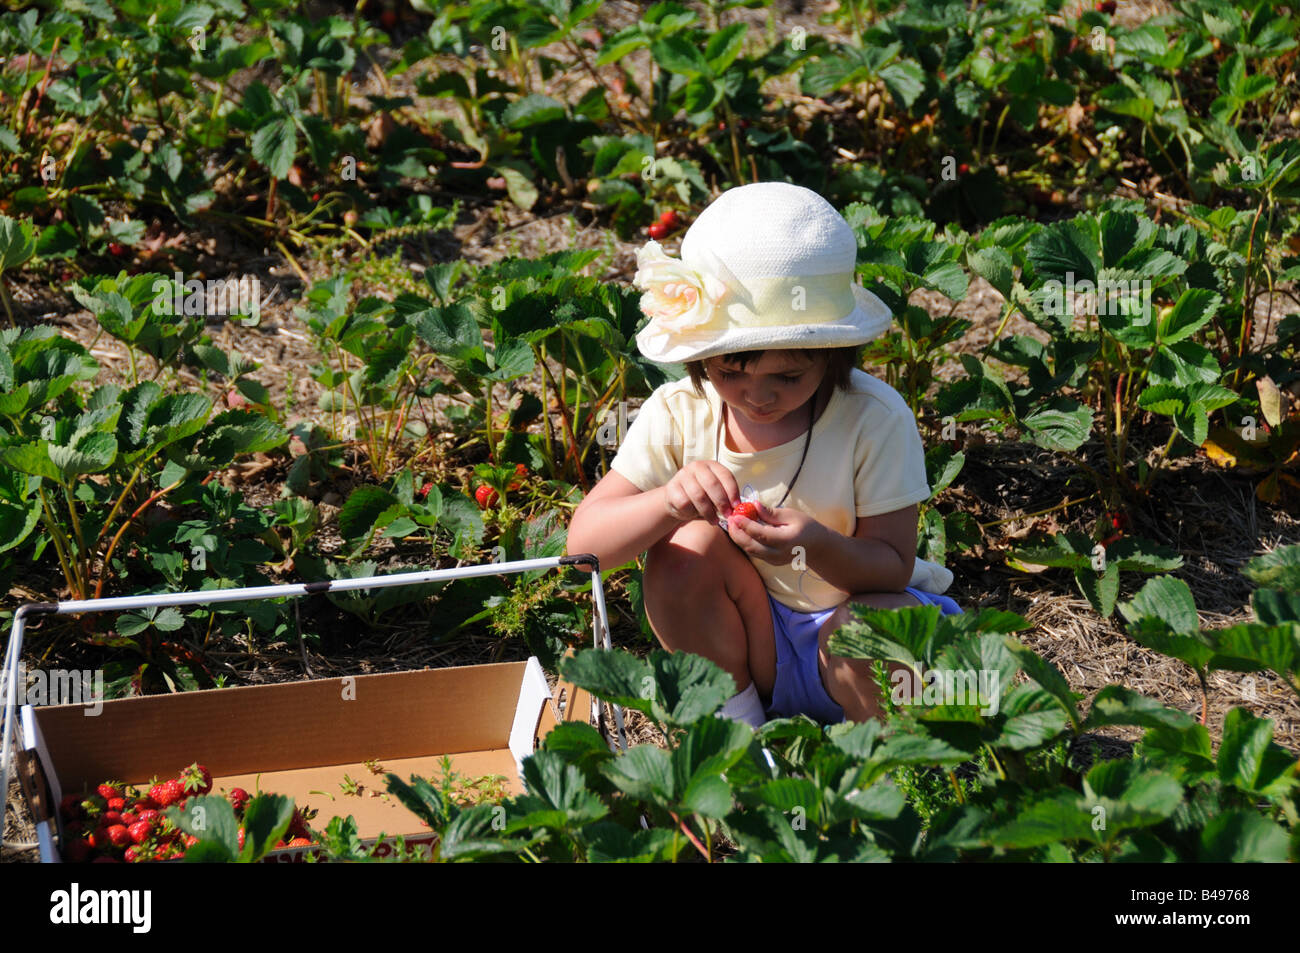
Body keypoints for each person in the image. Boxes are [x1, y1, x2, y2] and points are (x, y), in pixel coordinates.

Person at [565, 182, 960, 728]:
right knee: (683, 549)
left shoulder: (873, 417)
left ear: (833, 353)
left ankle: (888, 760)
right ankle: (742, 734)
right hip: (753, 645)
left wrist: (815, 544)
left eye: (789, 375)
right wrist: (668, 504)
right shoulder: (681, 412)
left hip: (852, 629)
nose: (759, 396)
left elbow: (891, 569)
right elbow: (583, 550)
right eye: (731, 373)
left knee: (870, 632)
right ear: (701, 360)